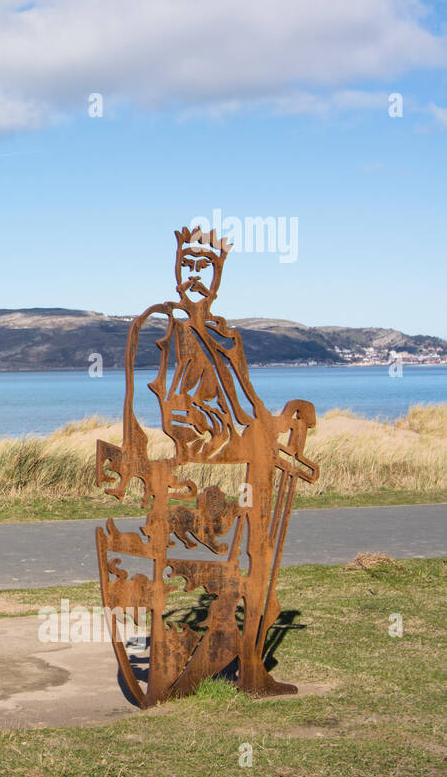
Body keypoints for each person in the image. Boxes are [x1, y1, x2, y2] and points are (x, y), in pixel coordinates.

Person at [95, 227, 318, 706]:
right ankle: (182, 667)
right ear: (177, 270)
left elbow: (250, 409)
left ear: (218, 277)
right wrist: (138, 460)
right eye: (187, 265)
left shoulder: (228, 336)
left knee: (261, 573)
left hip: (247, 461)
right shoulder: (161, 325)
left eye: (206, 267)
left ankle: (253, 671)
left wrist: (284, 421)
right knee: (203, 564)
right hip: (189, 458)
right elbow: (142, 401)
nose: (195, 276)